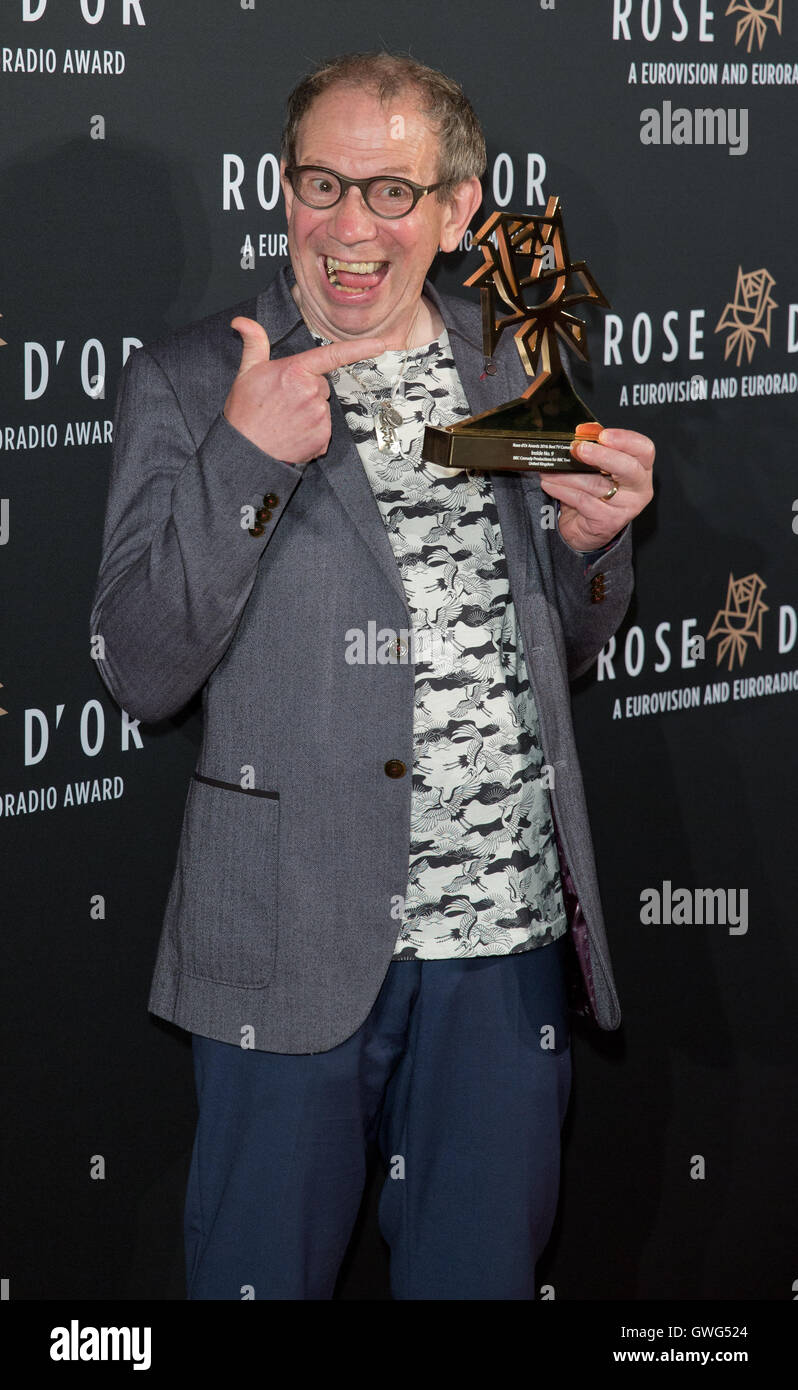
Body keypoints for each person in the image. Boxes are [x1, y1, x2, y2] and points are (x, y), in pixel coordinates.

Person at [90, 51, 654, 1301]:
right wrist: (244, 459)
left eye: (393, 193)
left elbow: (559, 647)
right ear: (282, 192)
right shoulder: (192, 384)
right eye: (321, 185)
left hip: (502, 950)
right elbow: (136, 668)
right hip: (288, 946)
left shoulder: (518, 364)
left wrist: (596, 549)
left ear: (458, 211)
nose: (349, 228)